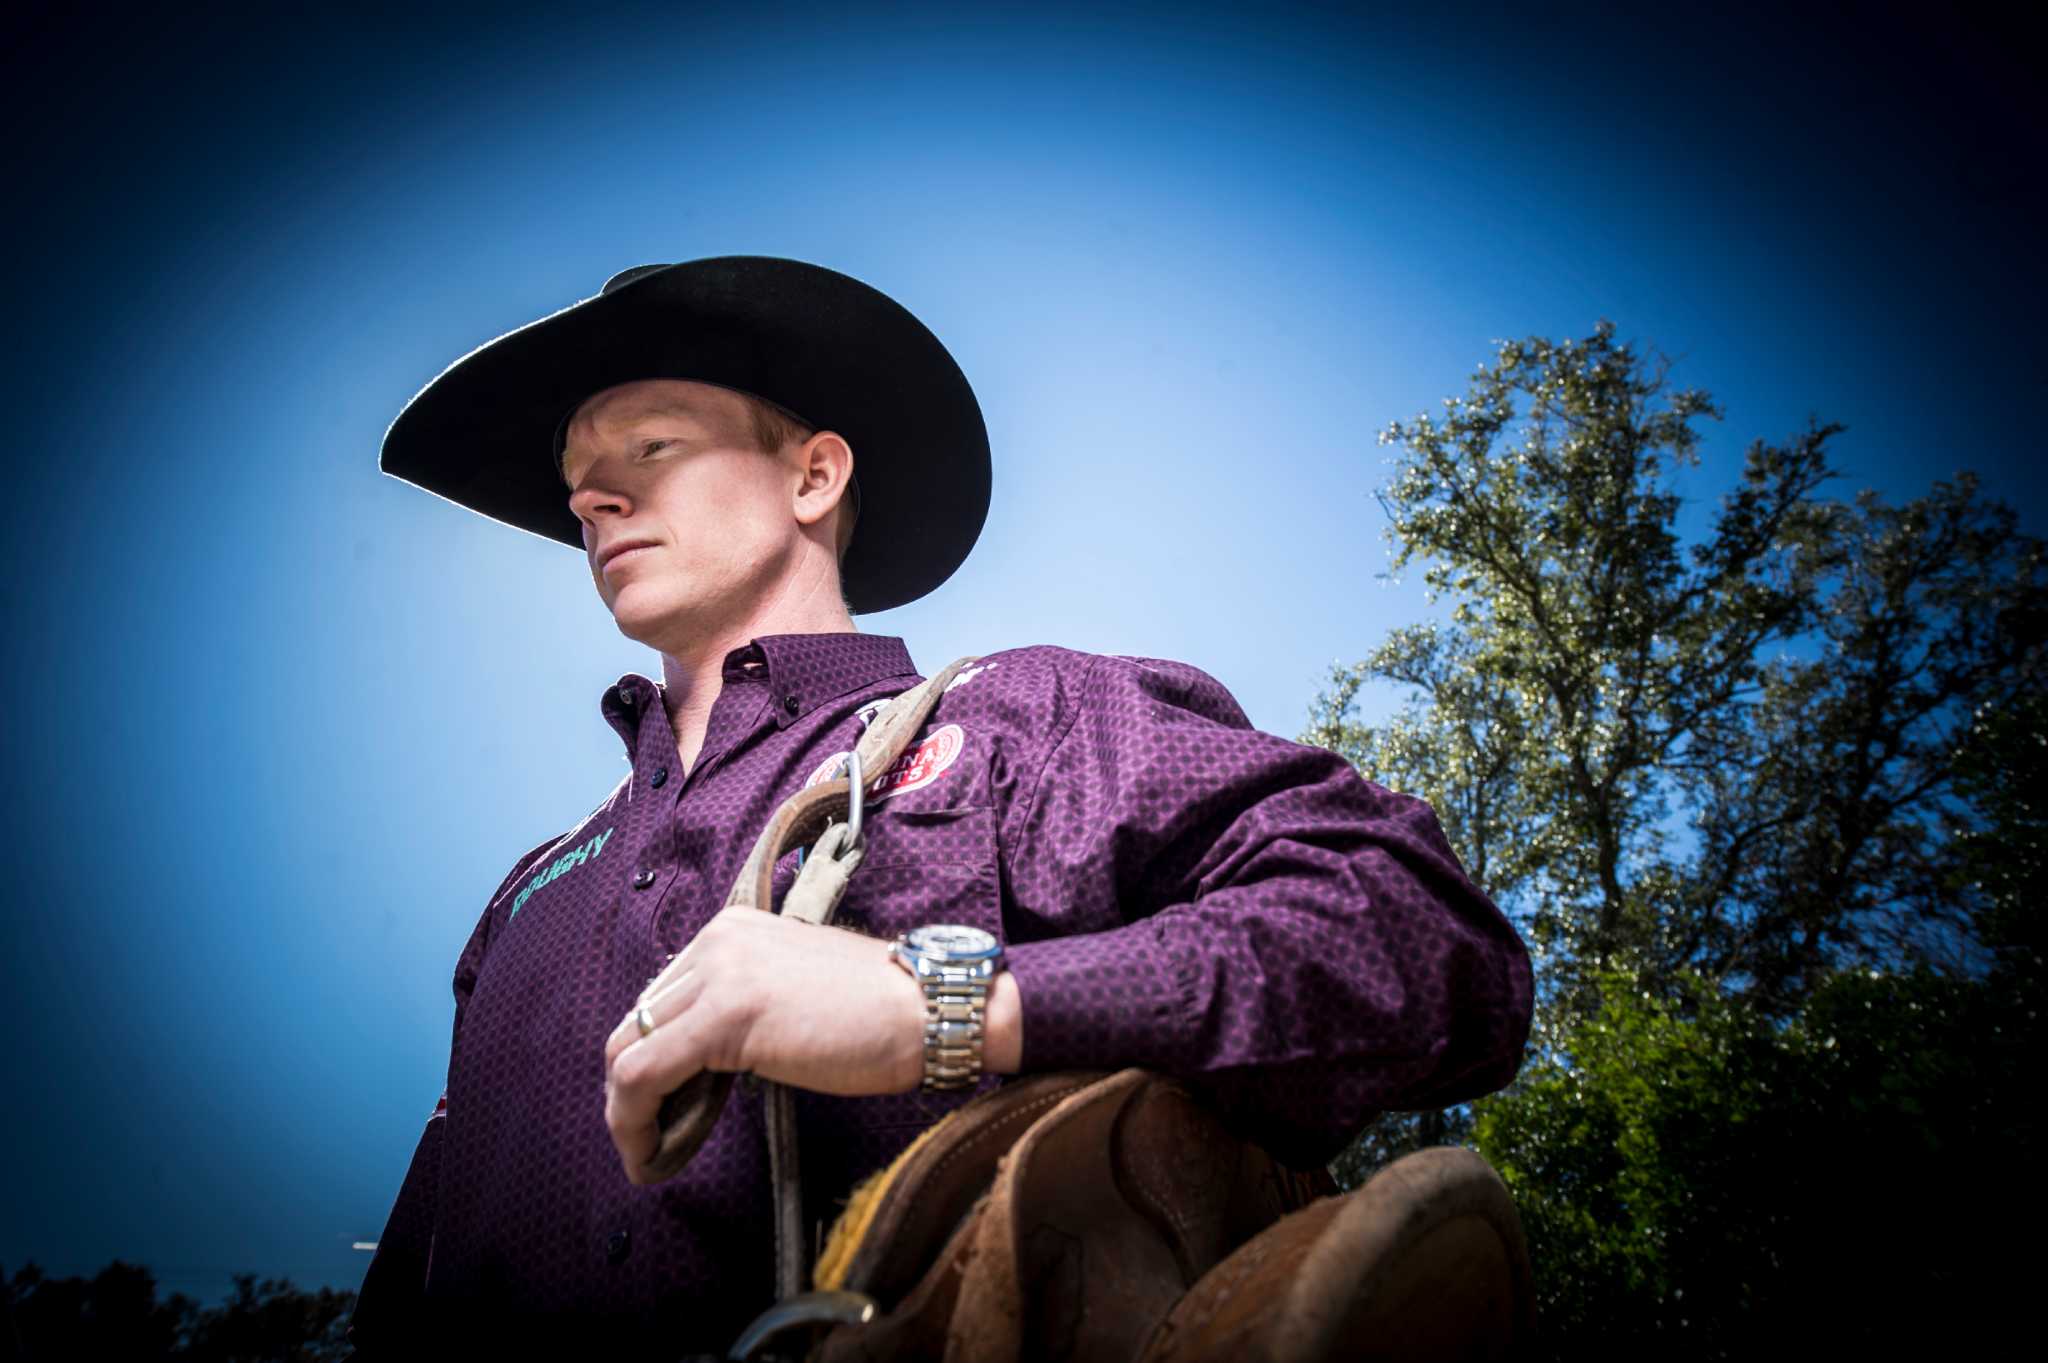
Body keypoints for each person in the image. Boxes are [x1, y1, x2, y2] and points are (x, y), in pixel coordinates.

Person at [348, 257, 1533, 1357]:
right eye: (577, 487)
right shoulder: (525, 898)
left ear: (813, 475)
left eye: (648, 447)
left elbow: (1423, 944)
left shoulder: (1024, 721)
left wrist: (947, 1002)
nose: (594, 497)